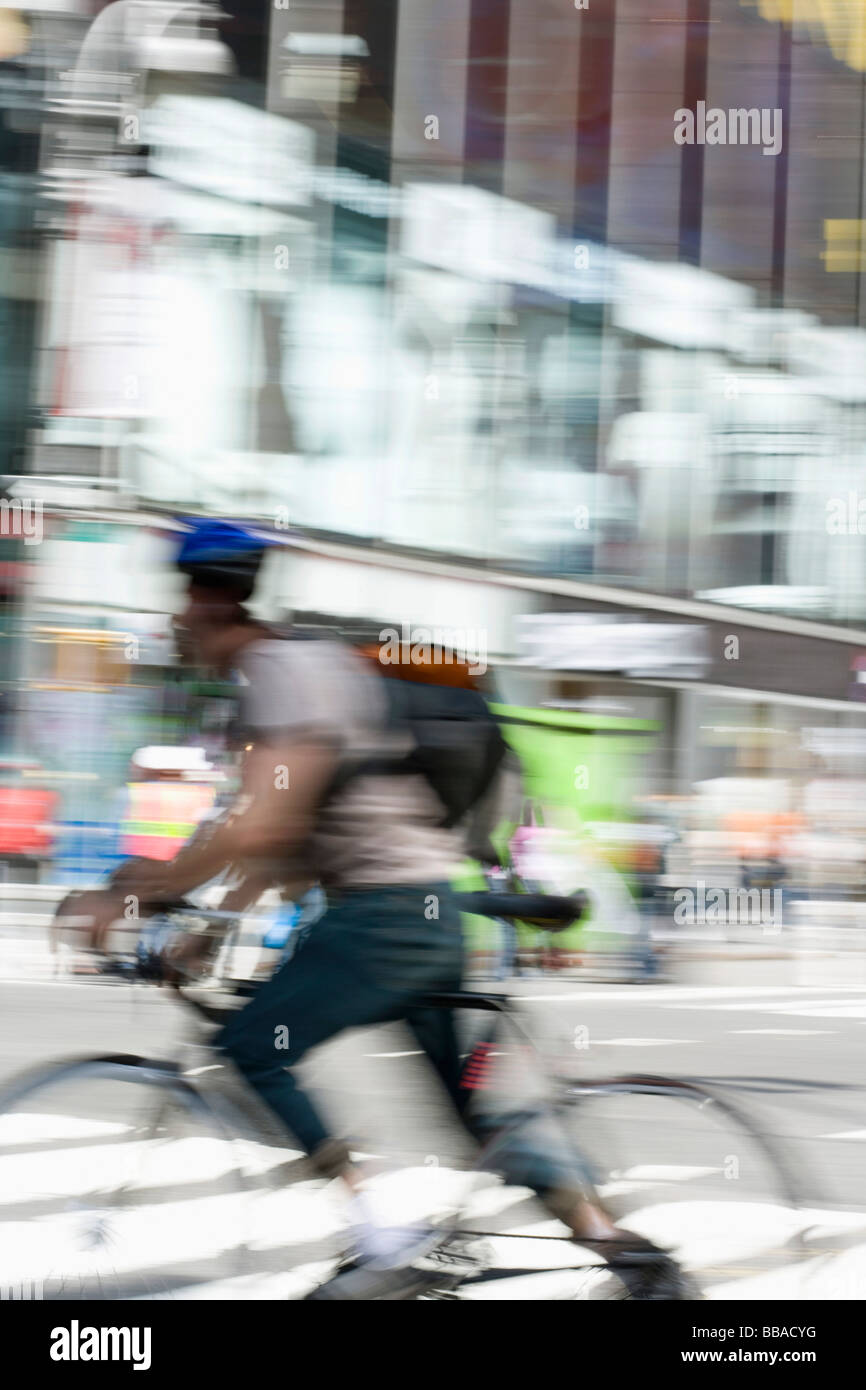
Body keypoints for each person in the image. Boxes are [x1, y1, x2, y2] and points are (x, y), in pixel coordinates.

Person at [72, 518, 688, 1298]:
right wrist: (203, 931)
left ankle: (380, 1238)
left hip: (387, 918)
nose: (175, 621)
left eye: (183, 601)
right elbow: (284, 850)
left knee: (257, 1046)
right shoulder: (280, 683)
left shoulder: (282, 673)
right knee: (473, 1118)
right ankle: (626, 1256)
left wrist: (135, 891)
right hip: (420, 914)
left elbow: (269, 827)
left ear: (213, 600)